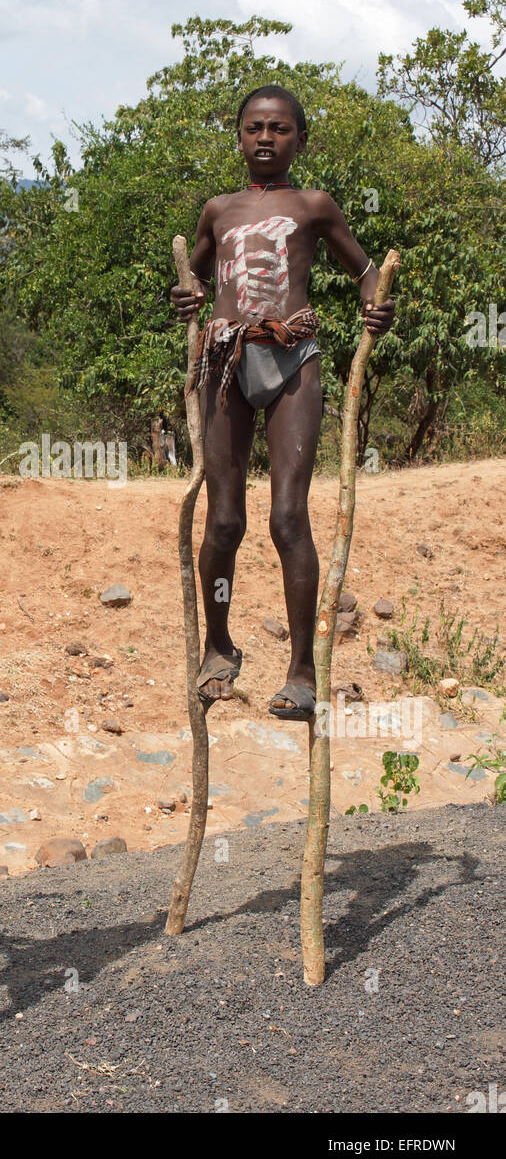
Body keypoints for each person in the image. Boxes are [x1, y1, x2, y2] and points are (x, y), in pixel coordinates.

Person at [170, 85, 395, 720]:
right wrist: (186, 294)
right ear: (238, 136)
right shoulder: (218, 209)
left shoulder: (315, 205)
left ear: (299, 138)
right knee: (224, 522)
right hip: (225, 364)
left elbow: (363, 267)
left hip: (294, 360)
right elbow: (197, 278)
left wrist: (376, 301)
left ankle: (301, 671)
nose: (265, 139)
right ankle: (218, 645)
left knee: (289, 518)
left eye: (279, 129)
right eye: (253, 128)